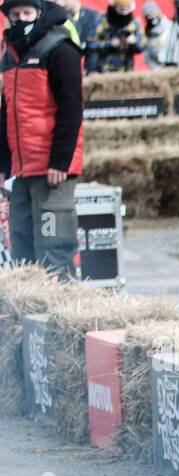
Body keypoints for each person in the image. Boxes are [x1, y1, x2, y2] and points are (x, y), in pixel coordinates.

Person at [0, 0, 84, 279]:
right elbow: (6, 112)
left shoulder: (60, 48)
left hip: (52, 170)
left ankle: (58, 310)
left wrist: (60, 161)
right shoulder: (11, 54)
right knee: (21, 242)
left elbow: (72, 109)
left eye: (27, 13)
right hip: (22, 170)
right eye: (15, 14)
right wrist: (4, 166)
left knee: (53, 243)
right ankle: (29, 316)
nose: (21, 19)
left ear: (39, 13)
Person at [47, 0, 103, 73]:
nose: (61, 2)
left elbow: (96, 45)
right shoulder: (55, 17)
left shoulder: (94, 17)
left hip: (89, 68)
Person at [93, 0, 143, 73]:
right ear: (114, 7)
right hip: (105, 70)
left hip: (127, 70)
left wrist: (134, 42)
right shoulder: (102, 20)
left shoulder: (135, 23)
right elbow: (91, 44)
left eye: (127, 8)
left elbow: (142, 46)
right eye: (121, 8)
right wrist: (110, 44)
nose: (124, 12)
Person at [141, 0, 179, 68]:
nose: (151, 18)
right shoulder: (147, 35)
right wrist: (159, 70)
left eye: (152, 13)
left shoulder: (173, 28)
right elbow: (148, 57)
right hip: (161, 72)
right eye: (148, 15)